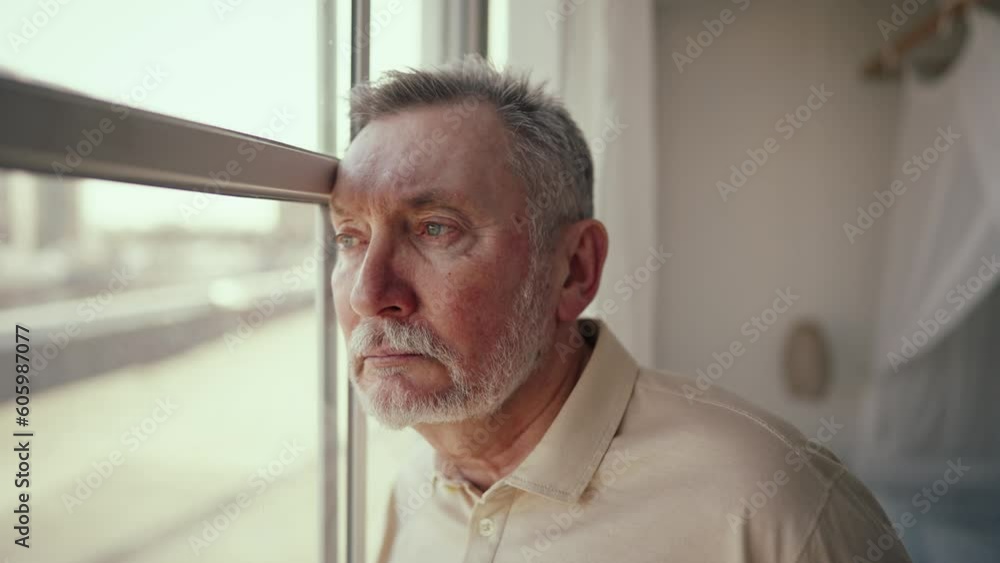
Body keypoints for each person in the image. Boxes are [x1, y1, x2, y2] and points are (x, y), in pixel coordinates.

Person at [328, 56, 911, 563]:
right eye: (350, 237)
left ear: (575, 269)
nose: (368, 293)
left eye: (435, 229)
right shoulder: (413, 491)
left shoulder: (770, 502)